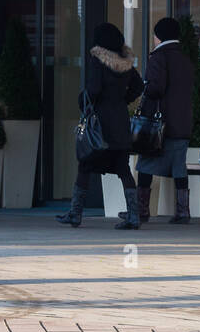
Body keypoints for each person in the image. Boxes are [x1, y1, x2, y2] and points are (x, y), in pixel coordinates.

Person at [57, 22, 144, 229]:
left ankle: (75, 213)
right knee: (123, 169)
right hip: (120, 122)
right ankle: (134, 215)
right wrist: (123, 100)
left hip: (101, 123)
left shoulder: (98, 60)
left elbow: (94, 89)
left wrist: (83, 101)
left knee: (85, 165)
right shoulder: (126, 63)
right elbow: (139, 86)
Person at [132, 17, 196, 224]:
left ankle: (141, 211)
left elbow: (156, 89)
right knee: (179, 166)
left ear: (159, 36)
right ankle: (183, 212)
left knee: (145, 164)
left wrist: (144, 85)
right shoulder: (185, 58)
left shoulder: (159, 57)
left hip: (160, 124)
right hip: (182, 122)